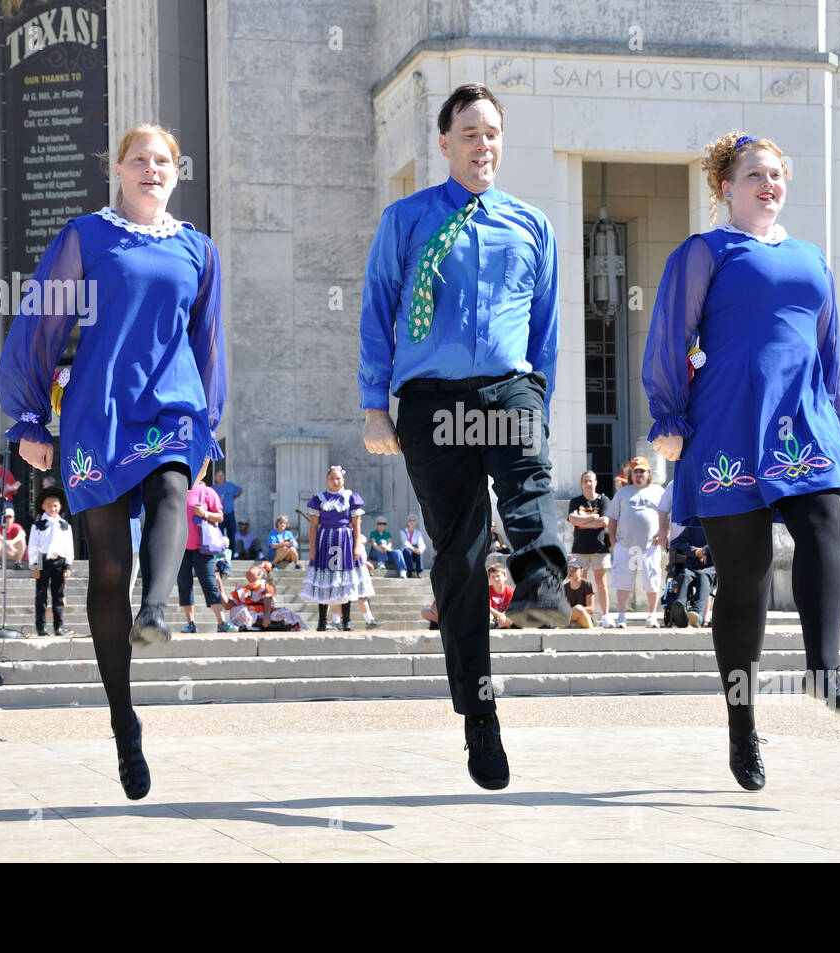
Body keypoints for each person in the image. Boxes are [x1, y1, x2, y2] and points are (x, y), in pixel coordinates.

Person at [0, 123, 226, 800]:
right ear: (118, 170)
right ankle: (124, 723)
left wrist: (206, 428)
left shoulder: (198, 251)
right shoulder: (85, 237)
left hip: (170, 410)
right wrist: (31, 417)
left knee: (171, 491)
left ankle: (156, 610)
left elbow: (207, 343)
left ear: (176, 173)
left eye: (163, 161)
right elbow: (41, 324)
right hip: (98, 415)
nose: (151, 169)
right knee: (107, 571)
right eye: (139, 160)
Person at [359, 83, 568, 791]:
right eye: (470, 133)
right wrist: (372, 404)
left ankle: (541, 579)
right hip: (430, 400)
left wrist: (539, 398)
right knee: (461, 553)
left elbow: (545, 327)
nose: (484, 144)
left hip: (508, 386)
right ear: (444, 143)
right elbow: (377, 308)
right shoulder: (407, 220)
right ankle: (479, 713)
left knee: (529, 481)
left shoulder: (532, 225)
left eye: (494, 133)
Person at [642, 130, 840, 792]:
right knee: (745, 577)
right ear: (725, 187)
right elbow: (669, 333)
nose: (769, 184)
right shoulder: (706, 252)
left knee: (824, 521)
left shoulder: (812, 259)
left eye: (777, 174)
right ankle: (742, 725)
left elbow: (830, 348)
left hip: (804, 420)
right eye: (754, 175)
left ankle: (824, 666)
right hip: (728, 422)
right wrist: (668, 416)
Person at [299, 465, 373, 632]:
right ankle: (322, 621)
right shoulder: (319, 499)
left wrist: (357, 547)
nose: (335, 481)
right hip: (325, 542)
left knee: (344, 581)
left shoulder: (351, 498)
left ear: (343, 480)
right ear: (327, 480)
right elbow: (313, 526)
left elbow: (356, 526)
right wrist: (312, 548)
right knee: (324, 581)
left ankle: (346, 620)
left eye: (338, 478)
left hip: (345, 542)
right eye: (332, 478)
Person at [606, 456, 665, 628]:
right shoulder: (622, 492)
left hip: (650, 546)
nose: (639, 474)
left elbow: (667, 515)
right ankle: (622, 616)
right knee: (622, 581)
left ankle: (652, 616)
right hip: (625, 545)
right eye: (635, 471)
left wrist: (663, 533)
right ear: (631, 474)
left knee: (652, 581)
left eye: (642, 471)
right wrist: (612, 538)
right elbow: (612, 517)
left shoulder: (658, 491)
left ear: (648, 473)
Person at [178, 475, 235, 633]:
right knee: (184, 584)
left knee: (210, 583)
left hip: (203, 547)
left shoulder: (206, 492)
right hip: (180, 547)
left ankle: (222, 622)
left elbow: (220, 516)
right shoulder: (178, 491)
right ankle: (191, 623)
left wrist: (204, 513)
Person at [658, 479, 711, 628]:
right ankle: (677, 608)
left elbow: (721, 540)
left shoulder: (705, 480)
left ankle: (700, 616)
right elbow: (663, 509)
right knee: (681, 575)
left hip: (709, 556)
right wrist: (693, 550)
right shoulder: (673, 484)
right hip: (683, 547)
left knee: (704, 576)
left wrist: (704, 550)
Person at [28, 488, 75, 636]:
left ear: (60, 506)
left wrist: (68, 565)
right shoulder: (38, 526)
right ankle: (41, 627)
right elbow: (33, 546)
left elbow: (69, 547)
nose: (52, 508)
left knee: (58, 596)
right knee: (41, 595)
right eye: (48, 505)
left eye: (55, 505)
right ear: (43, 506)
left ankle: (58, 627)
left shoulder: (65, 526)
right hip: (43, 561)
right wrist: (34, 566)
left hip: (59, 563)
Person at [567, 469, 612, 625]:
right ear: (581, 484)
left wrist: (582, 521)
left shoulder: (603, 500)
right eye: (585, 481)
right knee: (581, 581)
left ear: (595, 482)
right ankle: (585, 615)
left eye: (590, 480)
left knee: (601, 581)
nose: (588, 483)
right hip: (579, 547)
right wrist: (592, 517)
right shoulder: (575, 501)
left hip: (599, 547)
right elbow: (572, 520)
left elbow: (604, 522)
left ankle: (606, 615)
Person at [212, 469, 242, 551]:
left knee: (232, 535)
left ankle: (232, 554)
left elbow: (240, 490)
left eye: (222, 475)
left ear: (224, 477)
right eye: (218, 476)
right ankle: (220, 553)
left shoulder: (230, 485)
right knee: (218, 535)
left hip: (230, 514)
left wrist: (233, 498)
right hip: (219, 515)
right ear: (215, 478)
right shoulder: (213, 488)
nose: (220, 477)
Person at [563, 560, 594, 628]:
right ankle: (573, 624)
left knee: (579, 608)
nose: (571, 572)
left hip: (585, 618)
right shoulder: (564, 587)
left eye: (574, 570)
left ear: (581, 571)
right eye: (569, 570)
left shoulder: (587, 585)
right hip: (570, 618)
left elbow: (591, 608)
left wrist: (575, 611)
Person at [487, 563, 514, 628]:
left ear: (505, 577)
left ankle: (498, 625)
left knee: (513, 616)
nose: (496, 579)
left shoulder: (510, 591)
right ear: (489, 579)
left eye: (498, 576)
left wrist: (502, 615)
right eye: (493, 577)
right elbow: (487, 607)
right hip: (494, 616)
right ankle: (495, 624)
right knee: (488, 616)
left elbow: (511, 607)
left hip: (506, 615)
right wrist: (499, 615)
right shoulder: (487, 591)